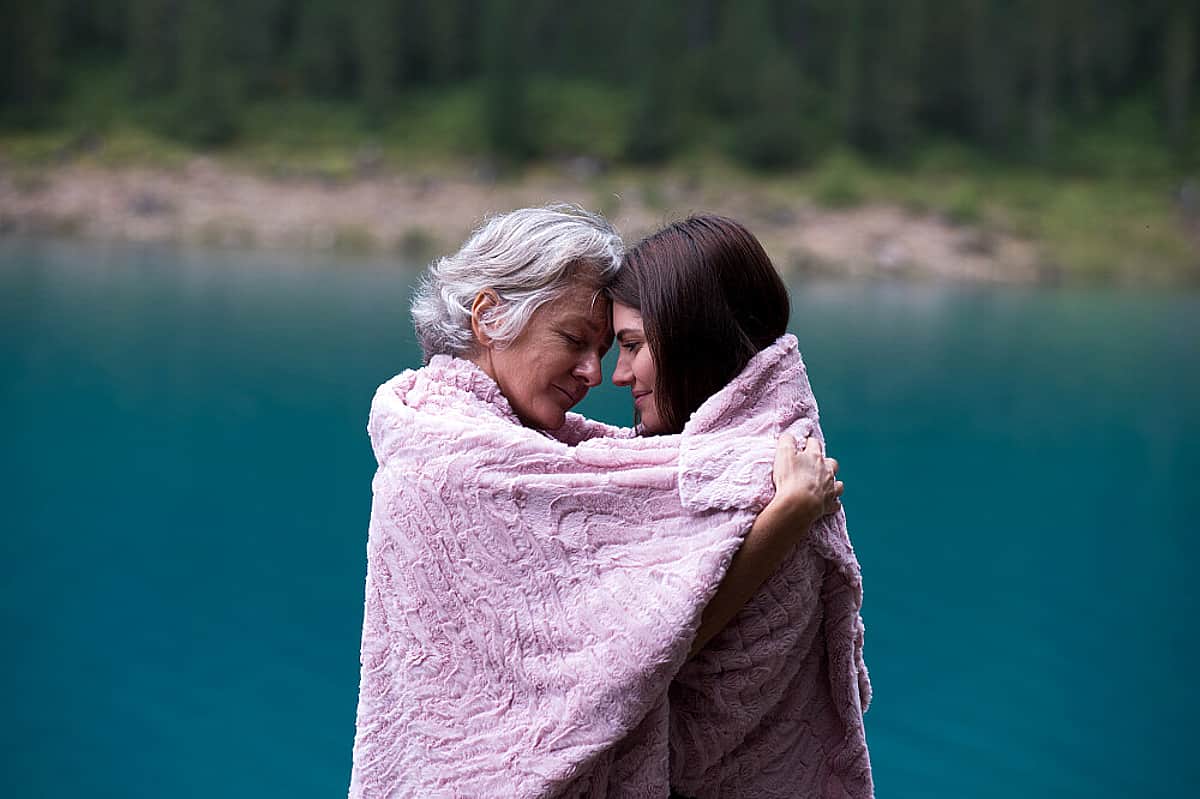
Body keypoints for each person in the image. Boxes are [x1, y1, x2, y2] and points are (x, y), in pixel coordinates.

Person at [348, 205, 845, 798]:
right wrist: (782, 520)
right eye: (574, 341)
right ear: (489, 316)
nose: (594, 372)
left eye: (609, 348)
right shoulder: (451, 465)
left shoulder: (551, 453)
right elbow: (627, 666)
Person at [608, 214, 874, 798]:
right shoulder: (781, 464)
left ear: (690, 334)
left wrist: (784, 518)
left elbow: (629, 670)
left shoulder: (754, 475)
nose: (617, 375)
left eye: (631, 346)